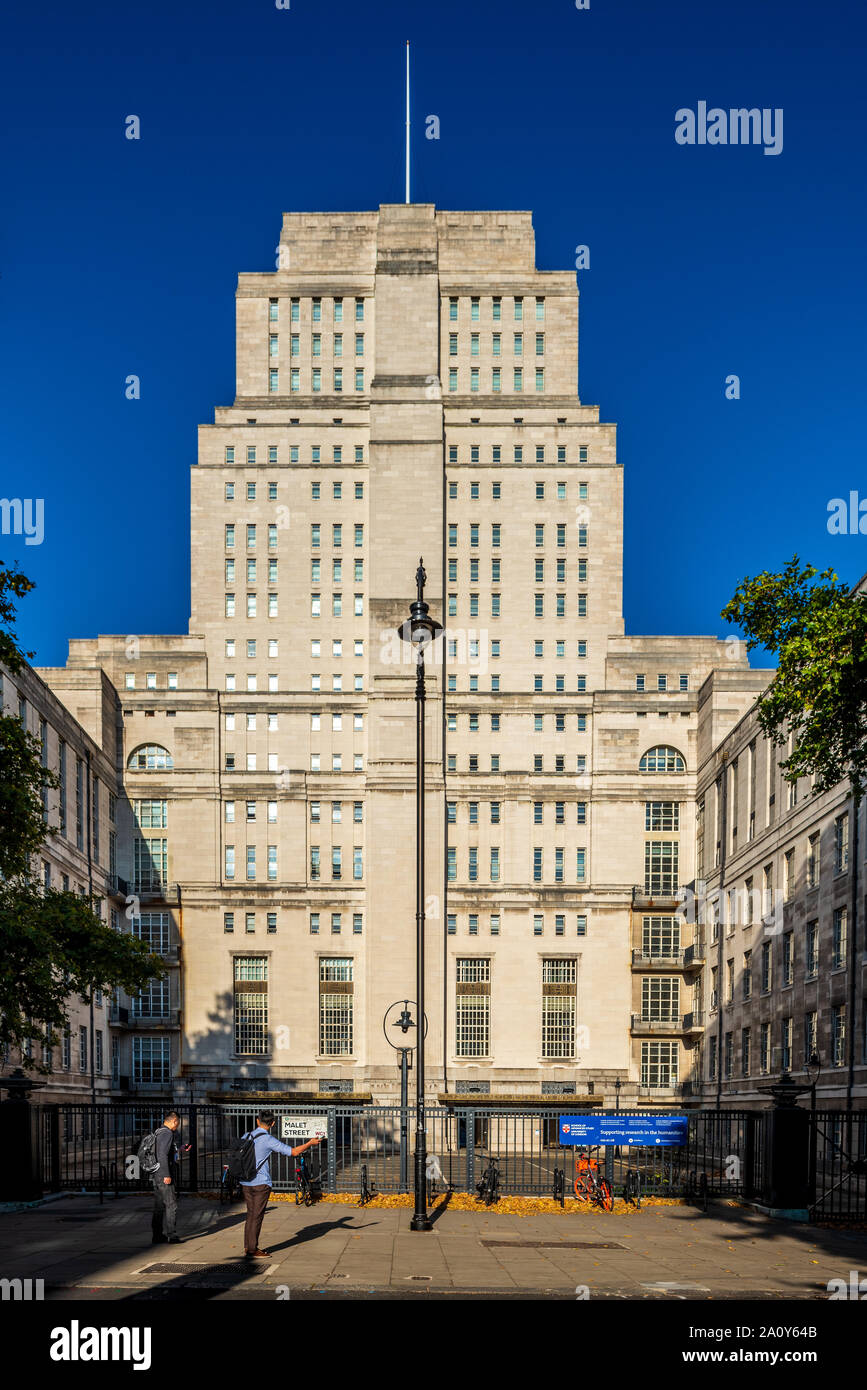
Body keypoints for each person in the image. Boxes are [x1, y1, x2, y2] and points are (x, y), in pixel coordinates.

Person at [239, 1110, 323, 1257]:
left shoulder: (246, 1136)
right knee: (257, 1215)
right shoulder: (268, 1139)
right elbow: (294, 1152)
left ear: (258, 1121)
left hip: (246, 1181)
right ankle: (252, 1249)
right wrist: (310, 1142)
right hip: (261, 1183)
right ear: (272, 1123)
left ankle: (248, 1246)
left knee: (251, 1214)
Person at [150, 1110, 190, 1245]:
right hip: (164, 1175)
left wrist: (182, 1148)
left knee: (159, 1206)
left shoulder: (158, 1131)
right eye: (177, 1123)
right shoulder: (167, 1133)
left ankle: (157, 1235)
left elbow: (164, 1151)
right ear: (174, 1121)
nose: (177, 1126)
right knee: (171, 1205)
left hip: (156, 1174)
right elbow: (162, 1155)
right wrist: (167, 1174)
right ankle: (171, 1235)